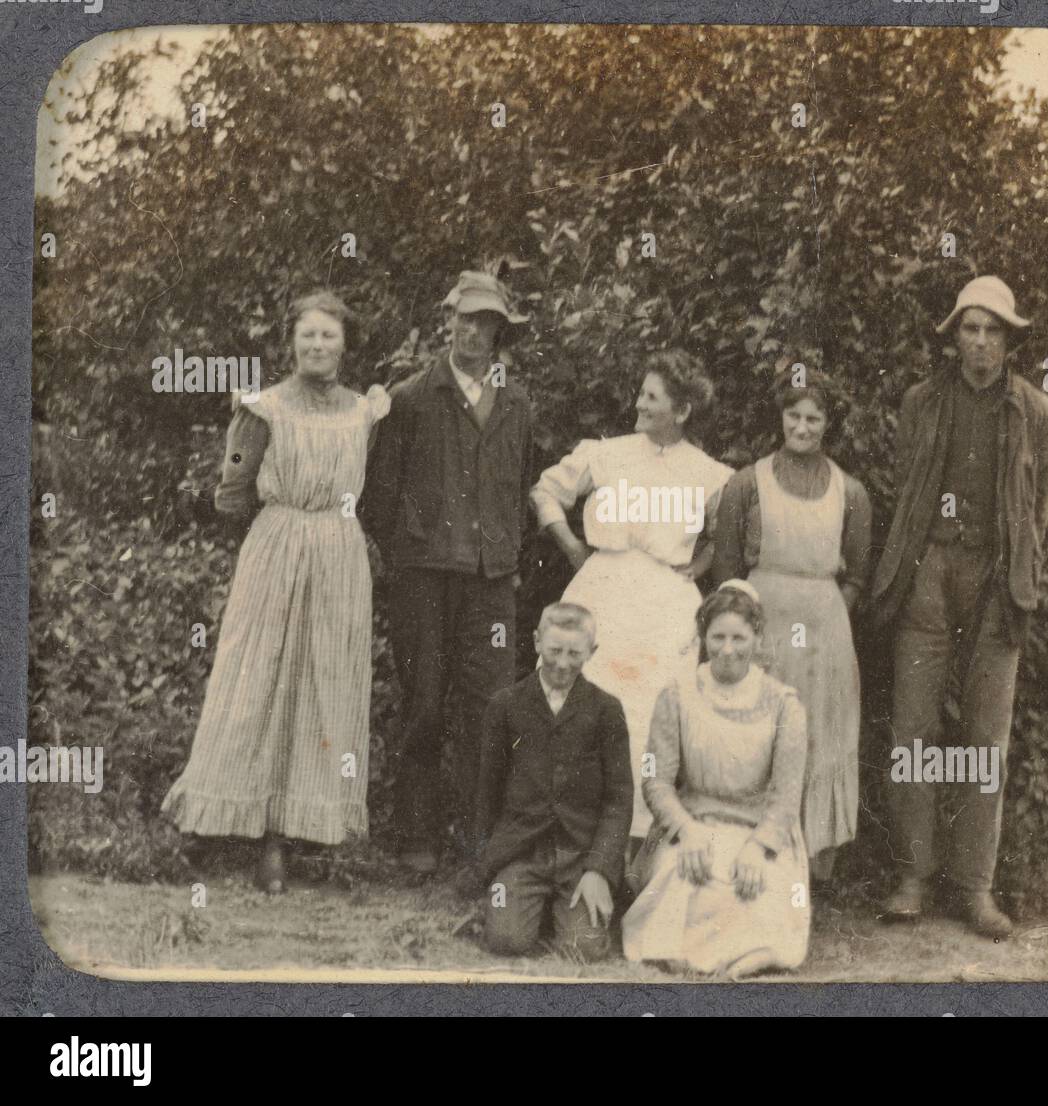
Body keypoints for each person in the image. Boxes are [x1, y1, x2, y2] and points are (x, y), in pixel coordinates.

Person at [162, 290, 390, 893]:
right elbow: (231, 490)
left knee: (321, 686)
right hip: (276, 550)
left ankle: (284, 838)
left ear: (346, 344)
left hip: (340, 556)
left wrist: (325, 533)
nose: (318, 346)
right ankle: (214, 822)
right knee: (254, 677)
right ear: (290, 341)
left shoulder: (365, 410)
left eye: (330, 336)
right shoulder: (262, 409)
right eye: (308, 335)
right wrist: (280, 533)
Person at [872, 275, 1048, 939]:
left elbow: (1038, 512)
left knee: (987, 740)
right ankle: (912, 876)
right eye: (969, 329)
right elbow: (909, 490)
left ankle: (975, 888)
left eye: (992, 331)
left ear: (1010, 341)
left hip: (997, 578)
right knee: (913, 731)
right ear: (954, 338)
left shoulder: (1037, 413)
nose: (980, 342)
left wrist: (1015, 574)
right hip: (929, 568)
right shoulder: (922, 401)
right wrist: (921, 560)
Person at [362, 270, 533, 873]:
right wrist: (407, 555)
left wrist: (506, 555)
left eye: (484, 322)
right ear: (450, 321)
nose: (471, 331)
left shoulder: (516, 402)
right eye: (463, 318)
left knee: (490, 707)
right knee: (425, 704)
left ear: (498, 334)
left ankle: (481, 842)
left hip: (490, 582)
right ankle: (417, 840)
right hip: (423, 577)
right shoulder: (411, 398)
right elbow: (378, 497)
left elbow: (517, 488)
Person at [530, 350, 733, 843]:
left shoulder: (710, 474)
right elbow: (545, 491)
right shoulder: (608, 453)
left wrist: (700, 565)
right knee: (581, 703)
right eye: (641, 392)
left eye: (652, 396)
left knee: (651, 714)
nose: (638, 403)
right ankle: (570, 833)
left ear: (681, 411)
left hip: (665, 603)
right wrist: (573, 545)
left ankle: (642, 844)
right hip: (601, 594)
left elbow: (730, 533)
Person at [712, 371, 871, 883]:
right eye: (794, 416)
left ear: (828, 424)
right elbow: (728, 576)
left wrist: (825, 614)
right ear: (780, 418)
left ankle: (813, 866)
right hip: (765, 622)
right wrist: (752, 628)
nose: (802, 427)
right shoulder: (746, 483)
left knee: (819, 732)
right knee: (763, 729)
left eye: (814, 418)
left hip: (825, 630)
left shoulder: (851, 492)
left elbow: (858, 575)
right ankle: (754, 852)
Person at [622, 581, 810, 978]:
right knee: (691, 880)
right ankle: (710, 952)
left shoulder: (783, 703)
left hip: (759, 831)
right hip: (694, 824)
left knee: (753, 889)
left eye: (739, 637)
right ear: (703, 638)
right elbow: (656, 782)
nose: (728, 649)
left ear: (758, 637)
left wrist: (759, 848)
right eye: (717, 636)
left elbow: (787, 795)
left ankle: (757, 951)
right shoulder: (675, 695)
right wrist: (686, 831)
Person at [475, 603, 632, 960]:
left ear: (592, 652)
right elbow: (487, 791)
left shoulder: (606, 710)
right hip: (522, 852)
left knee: (585, 948)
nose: (562, 663)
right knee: (506, 941)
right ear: (535, 642)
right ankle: (520, 904)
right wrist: (487, 864)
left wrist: (599, 869)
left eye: (575, 653)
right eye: (554, 651)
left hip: (579, 854)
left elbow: (619, 799)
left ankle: (566, 912)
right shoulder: (506, 705)